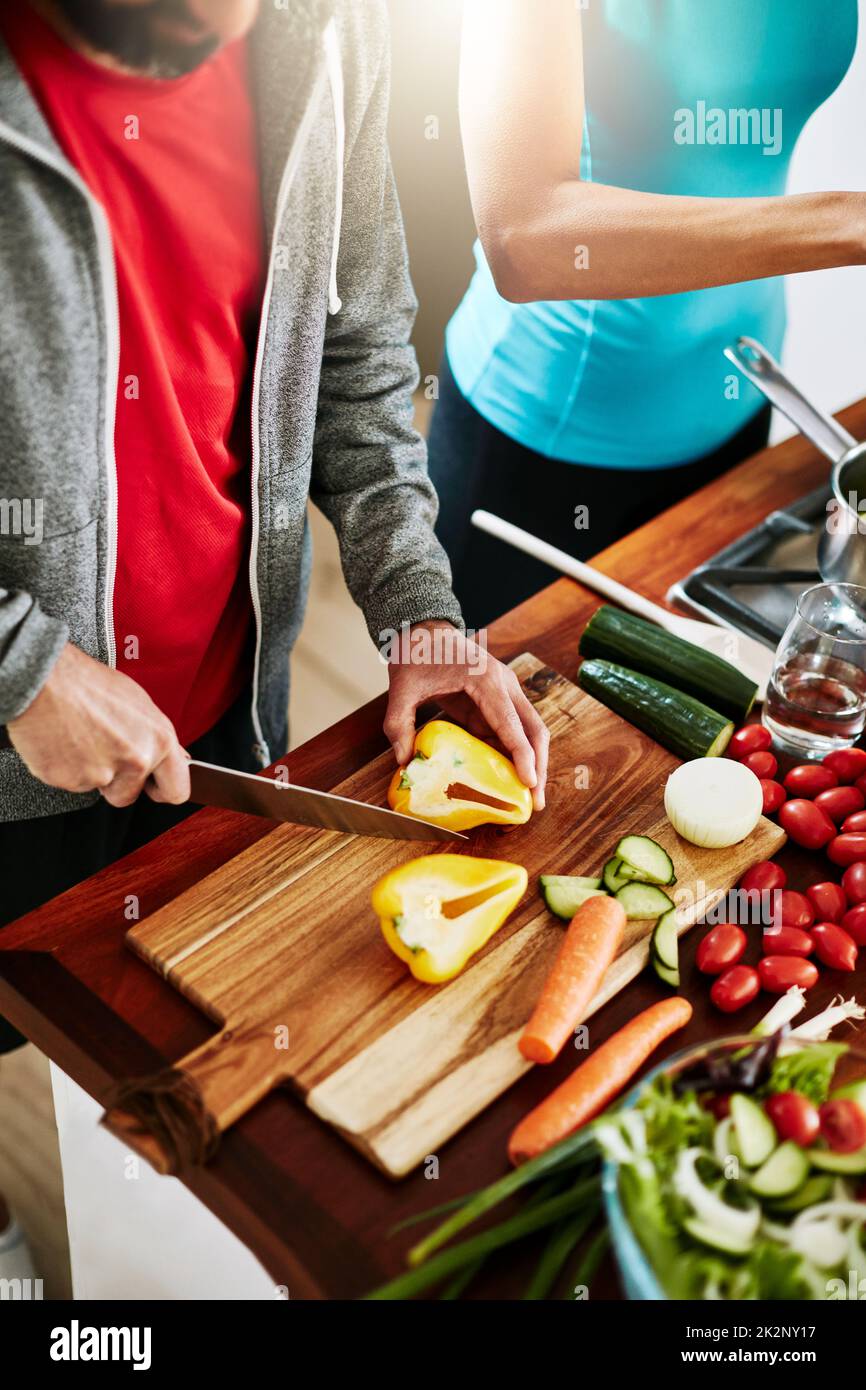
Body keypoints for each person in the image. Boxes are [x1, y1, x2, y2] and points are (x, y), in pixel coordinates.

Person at [0, 0, 549, 1290]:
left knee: (141, 1011)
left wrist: (416, 599)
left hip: (214, 711)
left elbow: (357, 356)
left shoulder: (323, 26)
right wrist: (18, 664)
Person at [428, 0, 865, 627]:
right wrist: (849, 223)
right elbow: (525, 239)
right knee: (500, 718)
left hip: (743, 397)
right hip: (550, 447)